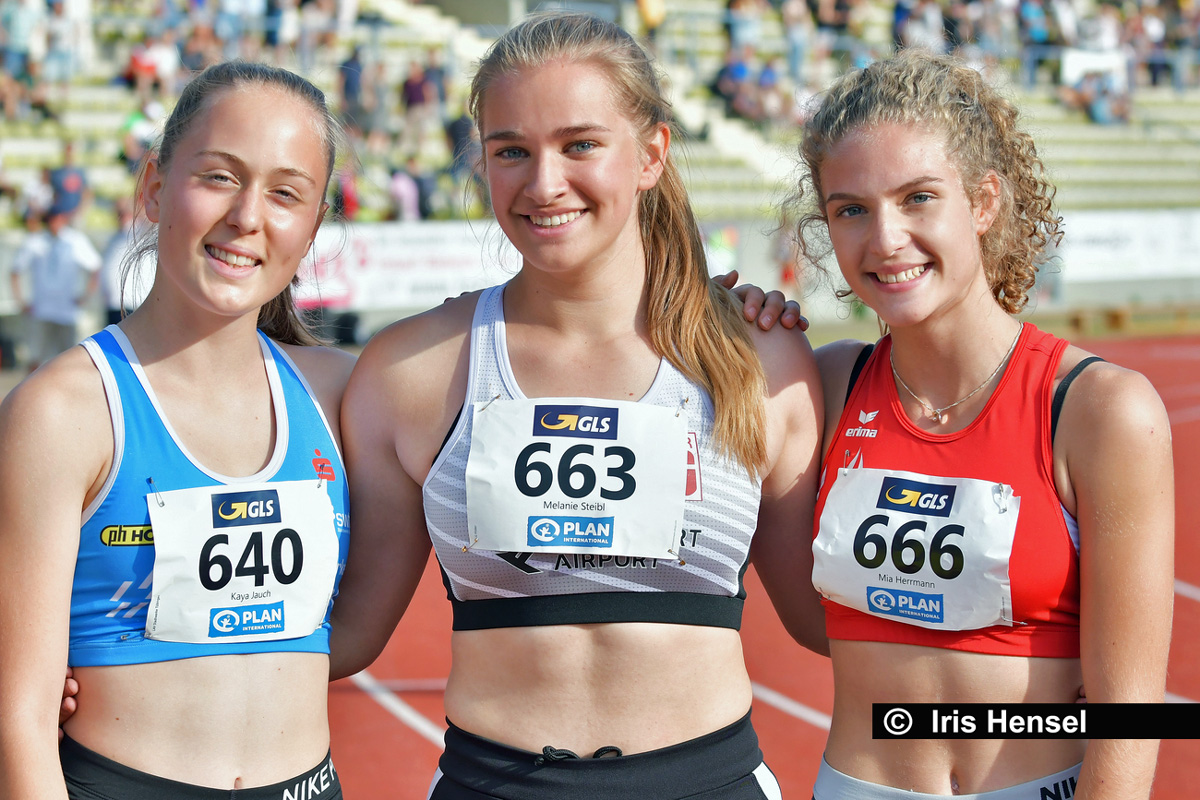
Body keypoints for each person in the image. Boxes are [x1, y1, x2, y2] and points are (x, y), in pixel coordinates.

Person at [329, 12, 827, 799]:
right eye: (511, 152)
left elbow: (829, 623)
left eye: (580, 144)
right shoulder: (413, 372)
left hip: (711, 782)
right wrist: (93, 665)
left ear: (652, 154)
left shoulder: (759, 361)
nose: (544, 183)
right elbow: (346, 633)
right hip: (490, 784)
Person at [795, 50, 1173, 799]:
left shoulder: (1099, 411)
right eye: (851, 209)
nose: (886, 239)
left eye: (918, 198)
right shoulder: (824, 386)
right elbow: (812, 625)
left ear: (986, 201)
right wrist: (747, 327)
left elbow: (1127, 710)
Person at [0, 61, 355, 799]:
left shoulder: (340, 394)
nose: (248, 216)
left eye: (286, 193)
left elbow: (346, 636)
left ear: (315, 224)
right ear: (155, 188)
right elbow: (21, 718)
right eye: (220, 177)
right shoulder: (65, 410)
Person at [9, 201, 101, 372]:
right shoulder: (35, 241)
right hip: (41, 310)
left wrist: (85, 296)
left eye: (58, 218)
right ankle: (31, 396)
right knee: (35, 357)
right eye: (52, 219)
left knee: (69, 359)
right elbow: (15, 271)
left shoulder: (75, 240)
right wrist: (21, 301)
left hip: (66, 311)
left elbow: (95, 267)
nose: (55, 223)